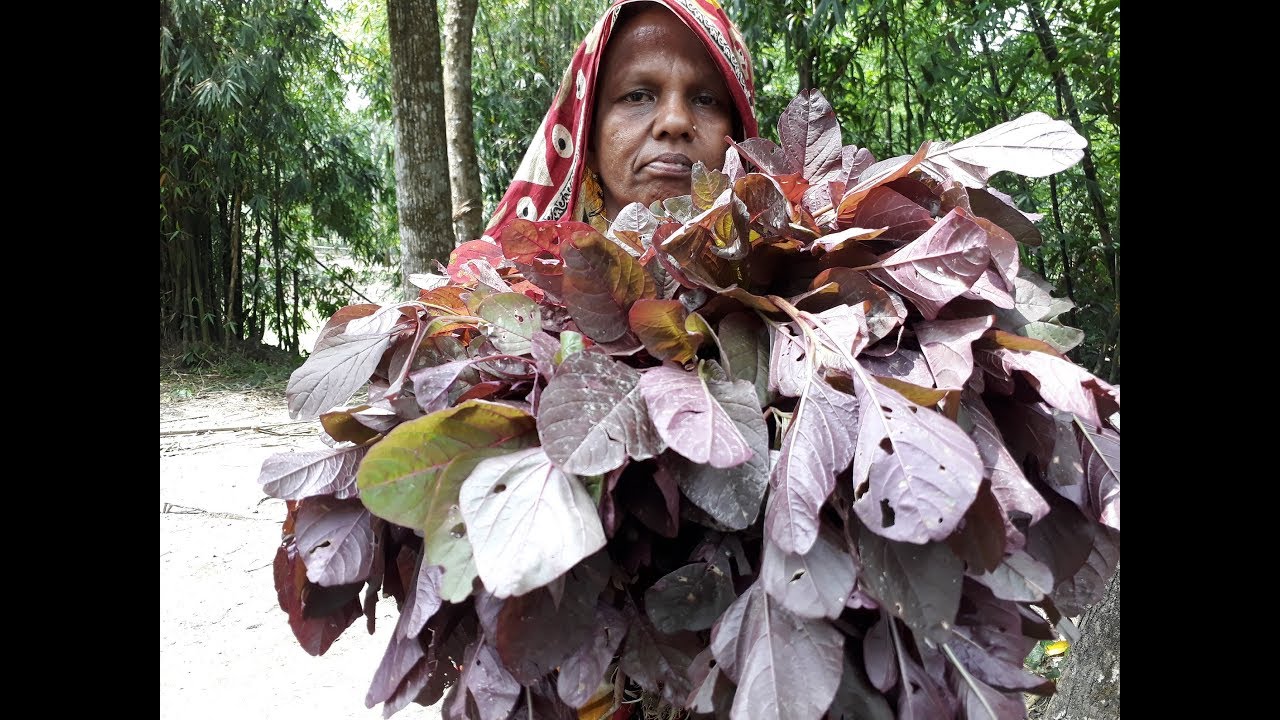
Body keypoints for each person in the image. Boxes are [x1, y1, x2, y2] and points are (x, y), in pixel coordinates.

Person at [483, 0, 759, 238]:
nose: (675, 122)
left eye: (706, 100)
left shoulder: (789, 285)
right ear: (587, 139)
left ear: (738, 138)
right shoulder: (505, 293)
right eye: (638, 96)